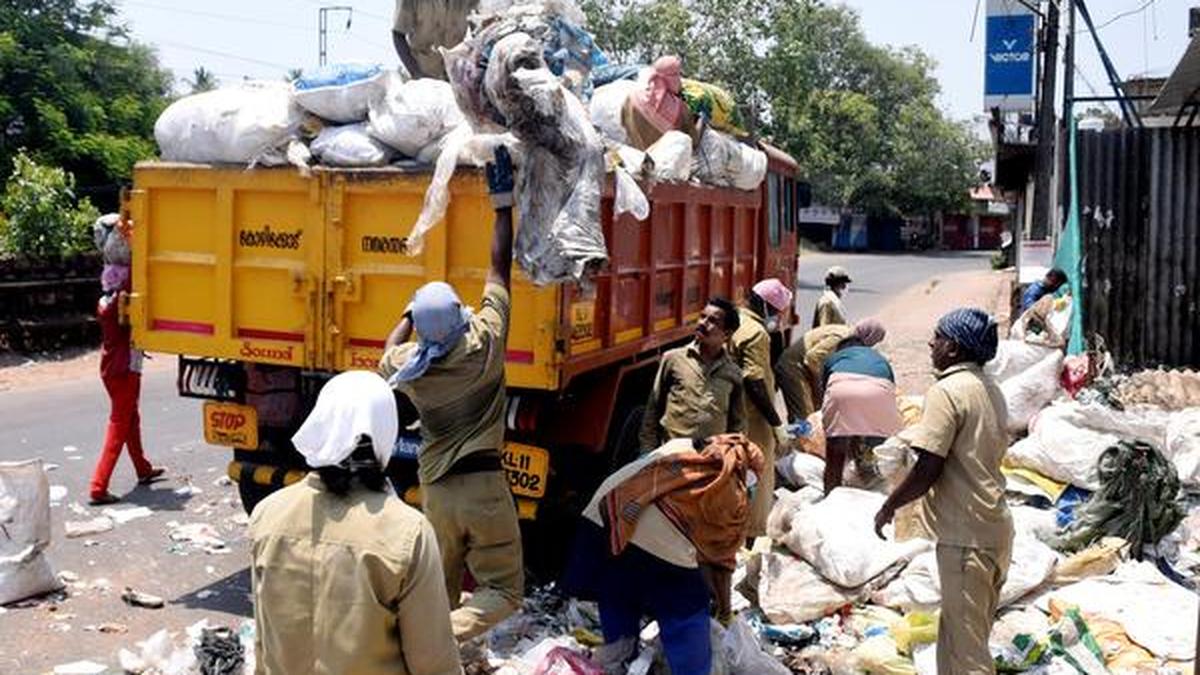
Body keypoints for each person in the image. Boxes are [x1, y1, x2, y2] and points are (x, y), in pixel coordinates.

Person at [378, 147, 522, 643]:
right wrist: (502, 204)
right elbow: (498, 269)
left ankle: (424, 647)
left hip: (436, 490)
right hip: (483, 487)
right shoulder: (484, 344)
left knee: (436, 587)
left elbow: (388, 349)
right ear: (461, 316)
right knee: (503, 591)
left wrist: (407, 314)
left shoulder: (410, 369)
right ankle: (438, 637)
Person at [249, 371, 463, 675]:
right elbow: (432, 662)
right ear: (385, 432)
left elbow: (264, 643)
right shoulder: (407, 531)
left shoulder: (267, 515)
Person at [874, 308, 1012, 675]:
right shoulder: (989, 387)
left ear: (953, 348)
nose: (932, 343)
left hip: (967, 536)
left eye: (938, 337)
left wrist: (889, 505)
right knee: (957, 637)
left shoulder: (947, 390)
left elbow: (927, 468)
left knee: (968, 656)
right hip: (992, 528)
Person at [564, 434, 763, 674]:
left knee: (618, 588)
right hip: (646, 537)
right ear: (748, 472)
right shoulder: (729, 492)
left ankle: (619, 656)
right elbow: (721, 565)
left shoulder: (682, 447)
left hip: (607, 515)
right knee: (686, 610)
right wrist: (724, 610)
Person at [89, 262, 164, 505]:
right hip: (124, 370)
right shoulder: (115, 305)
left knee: (131, 420)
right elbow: (132, 282)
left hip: (114, 368)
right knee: (119, 425)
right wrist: (136, 255)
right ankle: (98, 486)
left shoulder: (104, 302)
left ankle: (143, 469)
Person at [728, 278, 791, 537]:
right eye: (776, 312)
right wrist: (776, 423)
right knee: (757, 472)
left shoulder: (735, 321)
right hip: (753, 418)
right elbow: (754, 380)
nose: (776, 317)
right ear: (766, 306)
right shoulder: (756, 333)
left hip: (733, 412)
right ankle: (750, 532)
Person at [639, 298, 745, 451]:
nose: (702, 323)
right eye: (702, 316)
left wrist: (734, 456)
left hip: (711, 459)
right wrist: (647, 452)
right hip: (672, 457)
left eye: (712, 321)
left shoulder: (733, 373)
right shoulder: (673, 359)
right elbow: (653, 410)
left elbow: (738, 424)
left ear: (727, 334)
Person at [820, 319, 899, 493]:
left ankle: (830, 496)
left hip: (841, 392)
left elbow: (826, 392)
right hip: (880, 394)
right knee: (876, 451)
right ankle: (875, 490)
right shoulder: (880, 359)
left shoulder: (833, 358)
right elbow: (891, 389)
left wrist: (841, 434)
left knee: (835, 454)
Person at [622, 55, 701, 151]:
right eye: (677, 75)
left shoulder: (631, 97)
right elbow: (693, 142)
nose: (680, 80)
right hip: (661, 162)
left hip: (635, 155)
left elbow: (623, 124)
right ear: (672, 78)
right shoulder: (680, 110)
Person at [392, 0, 479, 80]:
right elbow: (398, 34)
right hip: (422, 71)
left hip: (457, 74)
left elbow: (480, 29)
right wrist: (417, 74)